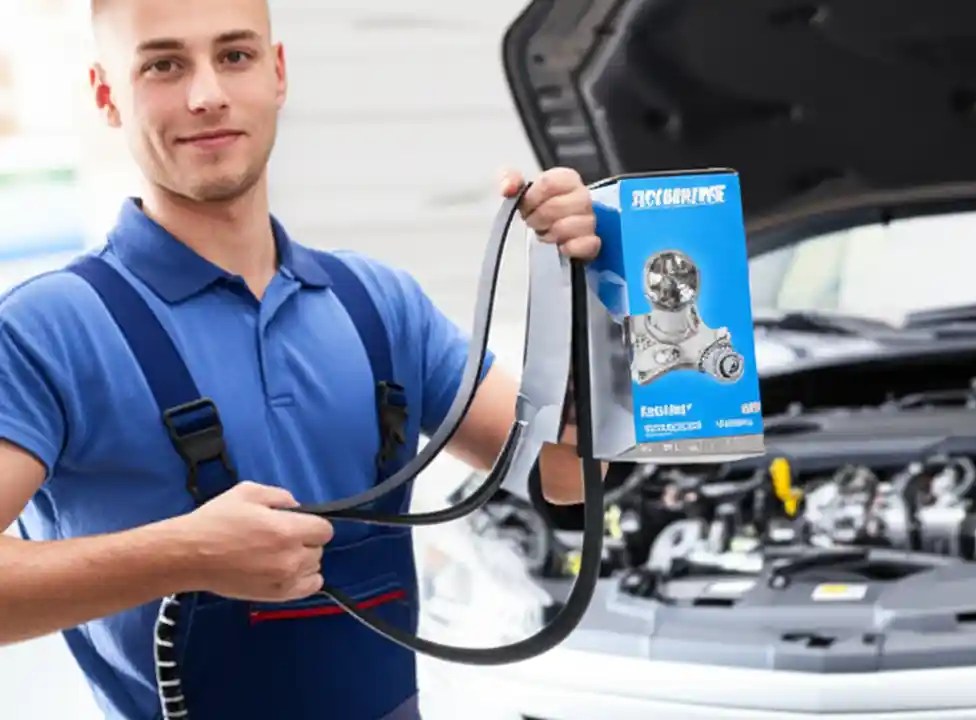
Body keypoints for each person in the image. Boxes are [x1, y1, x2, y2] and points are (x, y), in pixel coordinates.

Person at [0, 0, 597, 717]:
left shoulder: (377, 303)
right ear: (106, 95)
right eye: (163, 64)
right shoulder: (47, 330)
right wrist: (185, 555)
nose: (207, 93)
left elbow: (568, 473)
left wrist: (589, 281)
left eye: (235, 55)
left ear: (276, 73)